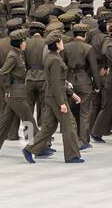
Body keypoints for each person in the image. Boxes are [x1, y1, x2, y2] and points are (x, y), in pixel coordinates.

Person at [25, 33, 86, 163]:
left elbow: (58, 82)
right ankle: (72, 156)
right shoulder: (56, 60)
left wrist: (71, 94)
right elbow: (56, 83)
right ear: (57, 44)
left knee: (48, 127)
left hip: (51, 95)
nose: (62, 43)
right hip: (56, 97)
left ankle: (29, 149)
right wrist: (62, 103)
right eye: (61, 41)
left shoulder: (51, 57)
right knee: (69, 125)